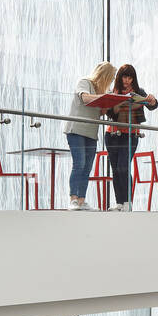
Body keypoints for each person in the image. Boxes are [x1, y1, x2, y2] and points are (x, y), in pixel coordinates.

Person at [63, 61, 117, 210]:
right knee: (79, 164)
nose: (111, 81)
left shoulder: (100, 90)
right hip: (77, 130)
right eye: (111, 78)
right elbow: (85, 98)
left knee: (87, 167)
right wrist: (103, 96)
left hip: (91, 133)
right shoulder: (85, 82)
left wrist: (108, 104)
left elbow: (98, 112)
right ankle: (73, 199)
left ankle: (81, 200)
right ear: (104, 75)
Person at [105, 64, 158, 211]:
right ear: (119, 77)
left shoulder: (138, 91)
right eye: (124, 77)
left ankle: (128, 202)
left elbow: (152, 105)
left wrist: (152, 101)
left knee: (123, 166)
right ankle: (119, 203)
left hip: (130, 135)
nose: (127, 80)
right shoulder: (113, 92)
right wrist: (118, 102)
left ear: (133, 79)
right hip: (112, 134)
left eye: (129, 77)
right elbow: (110, 114)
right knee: (115, 169)